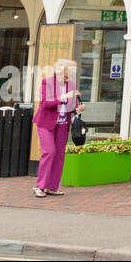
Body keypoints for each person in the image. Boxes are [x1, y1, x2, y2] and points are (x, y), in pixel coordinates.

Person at [33, 58, 85, 197]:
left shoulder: (71, 85)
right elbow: (44, 104)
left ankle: (52, 187)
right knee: (49, 152)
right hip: (46, 123)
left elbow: (71, 106)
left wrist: (78, 108)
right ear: (58, 72)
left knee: (59, 155)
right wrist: (63, 97)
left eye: (69, 75)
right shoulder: (47, 83)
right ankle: (40, 186)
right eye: (65, 75)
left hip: (62, 124)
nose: (67, 78)